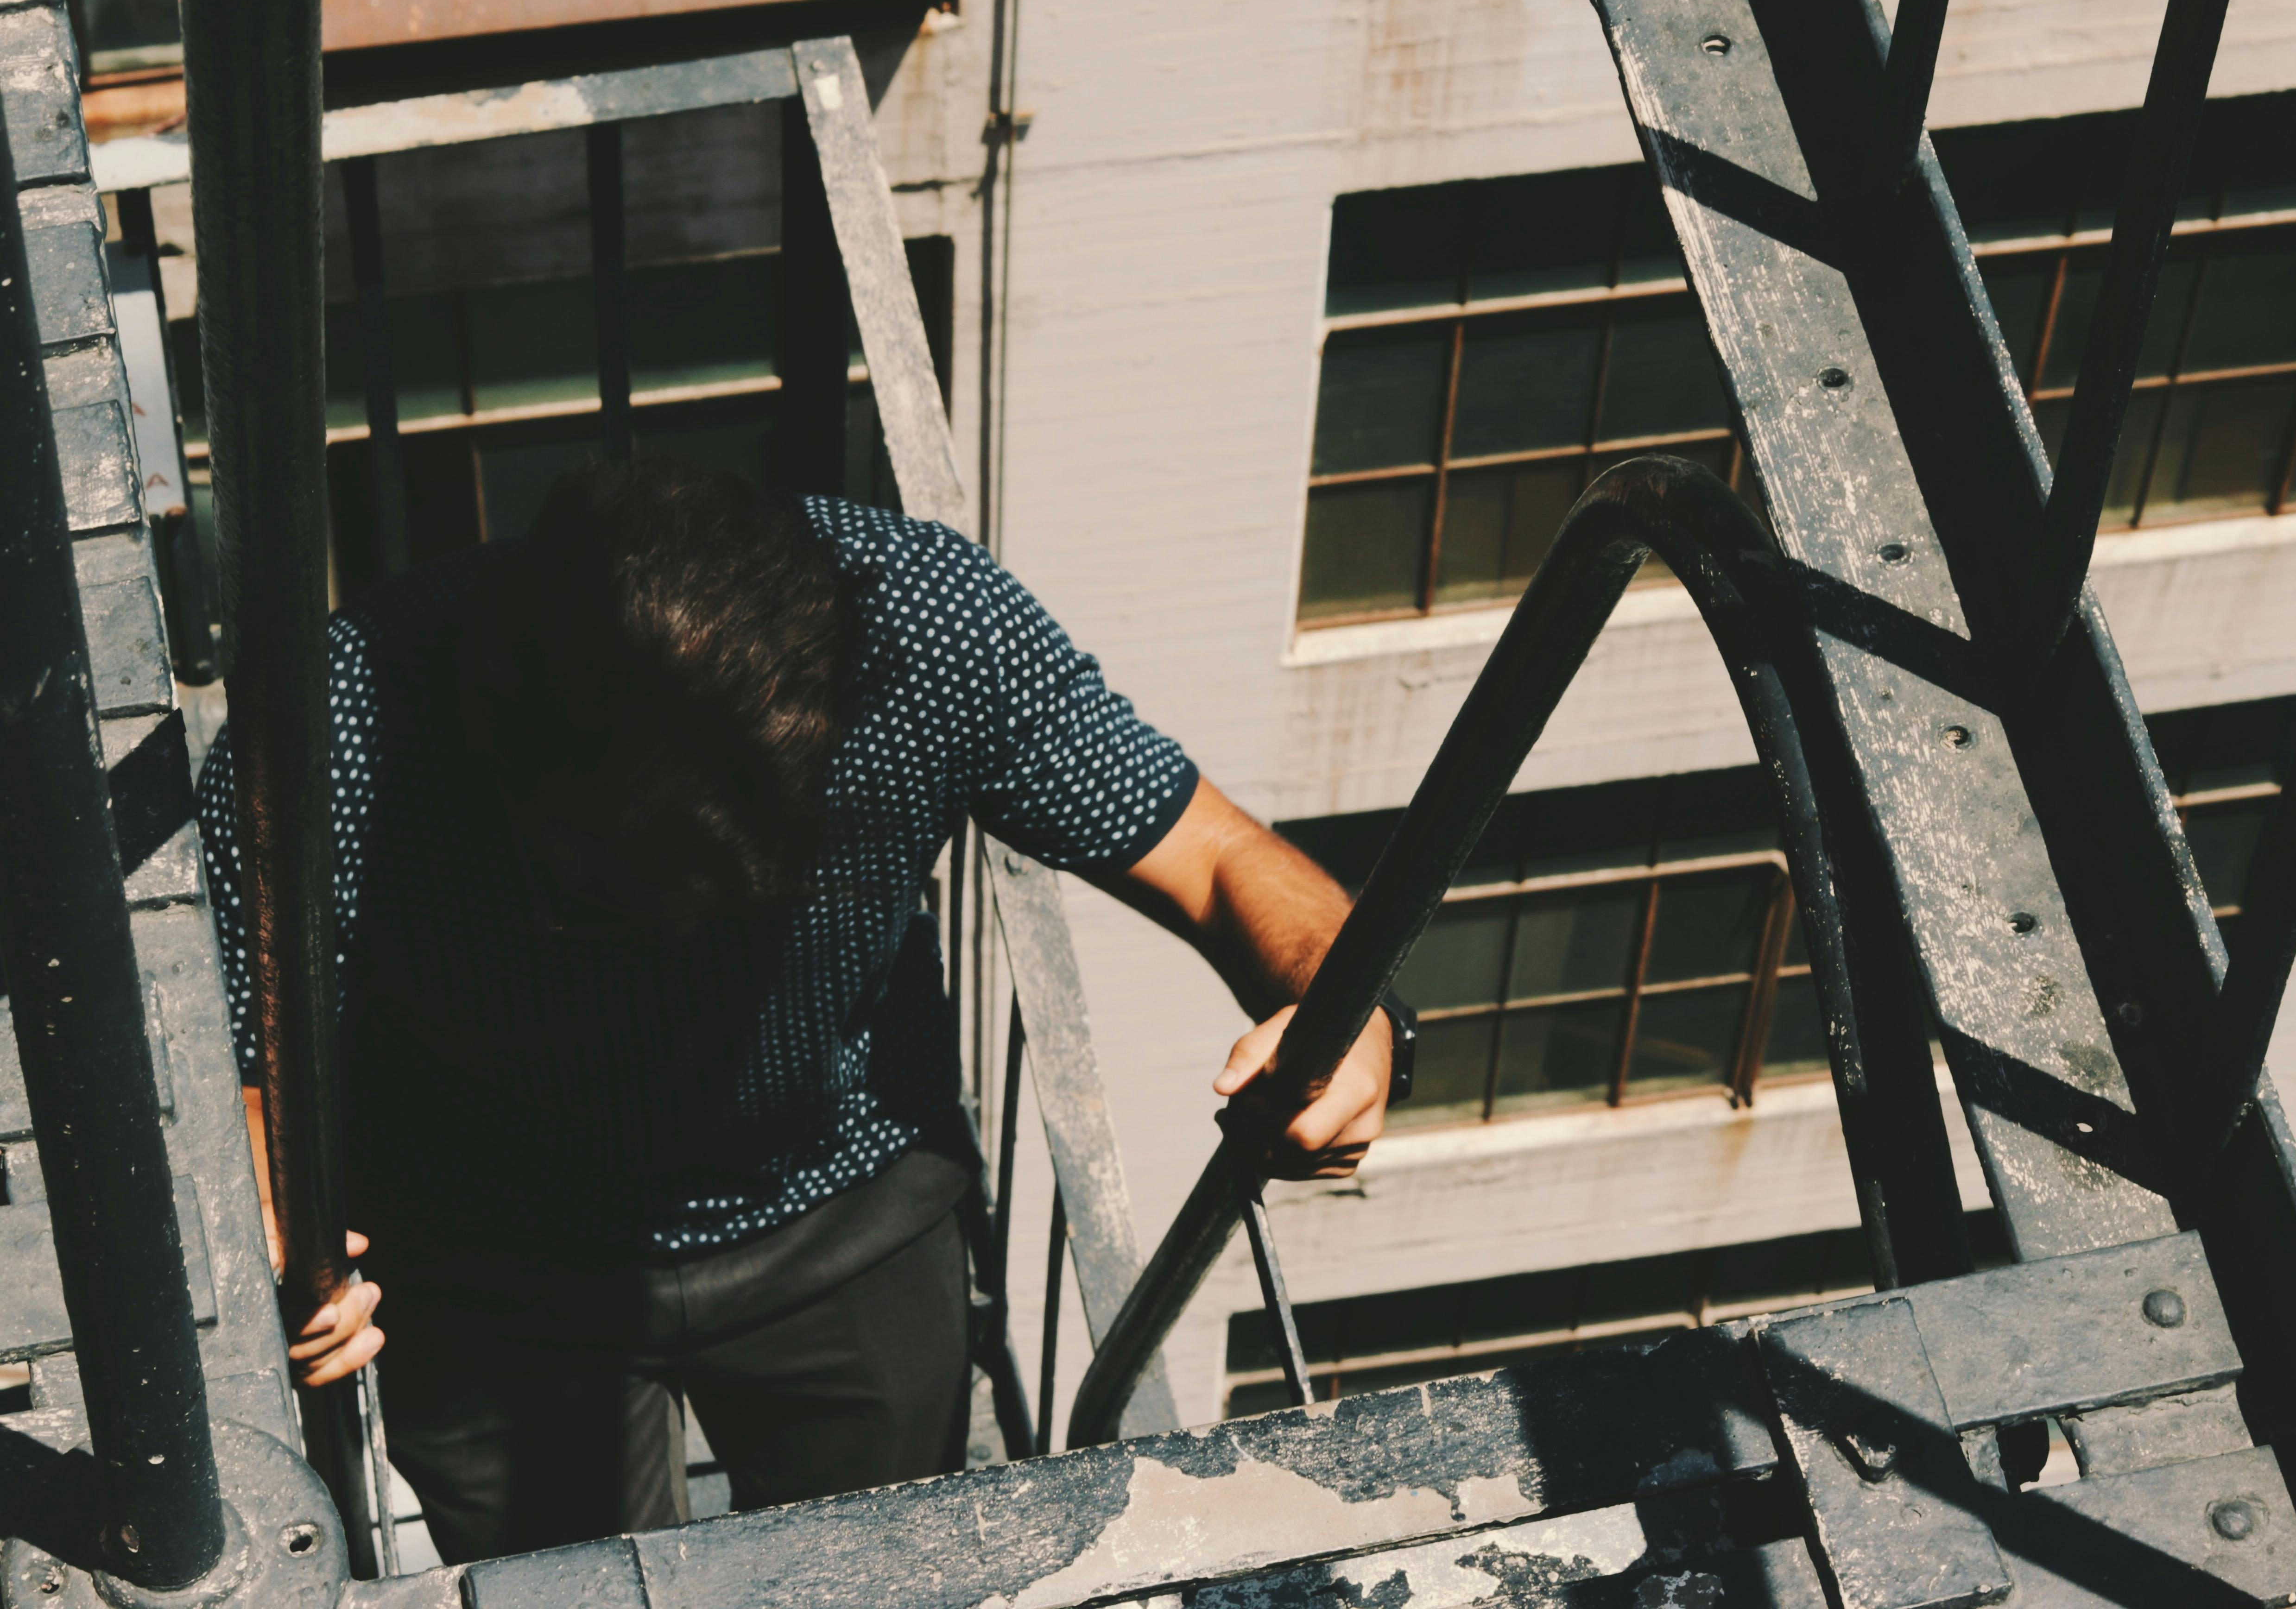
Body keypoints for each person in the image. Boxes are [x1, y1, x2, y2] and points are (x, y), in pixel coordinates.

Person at [197, 456, 1411, 1559]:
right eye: (593, 896)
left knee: (885, 1575)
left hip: (842, 1205)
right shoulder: (344, 721)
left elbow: (1210, 854)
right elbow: (225, 1047)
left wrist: (1346, 1013)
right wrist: (261, 1235)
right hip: (494, 1259)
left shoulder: (937, 629)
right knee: (561, 1596)